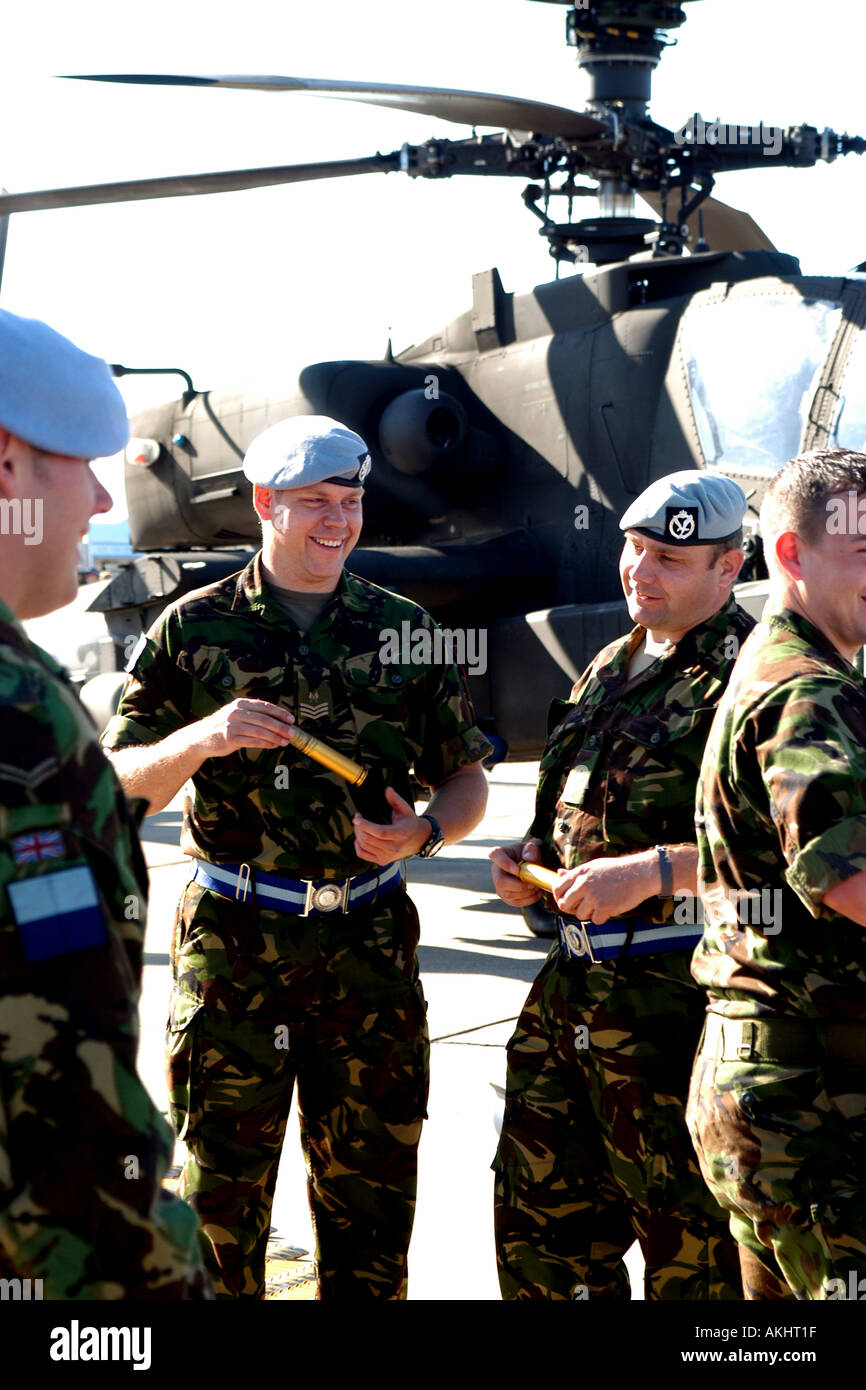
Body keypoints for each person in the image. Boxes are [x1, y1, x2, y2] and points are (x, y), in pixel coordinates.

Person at [101, 414, 490, 1300]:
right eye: (314, 500)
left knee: (374, 1215)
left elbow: (464, 778)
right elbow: (121, 786)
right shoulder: (191, 630)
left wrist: (427, 833)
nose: (338, 520)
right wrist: (200, 739)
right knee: (218, 1214)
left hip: (369, 952)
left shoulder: (404, 630)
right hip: (235, 946)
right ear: (264, 503)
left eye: (350, 501)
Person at [490, 471, 753, 1300]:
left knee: (697, 1254)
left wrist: (654, 873)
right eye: (633, 549)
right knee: (542, 1232)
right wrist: (529, 858)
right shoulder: (610, 661)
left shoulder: (759, 678)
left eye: (671, 557)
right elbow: (569, 808)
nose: (642, 571)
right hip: (570, 997)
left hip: (679, 1011)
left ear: (730, 566)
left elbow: (799, 862)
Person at [0, 308, 210, 1299]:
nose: (94, 500)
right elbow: (55, 1070)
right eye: (79, 465)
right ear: (7, 465)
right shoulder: (17, 710)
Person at [687, 448, 866, 1300]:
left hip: (775, 1094)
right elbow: (848, 880)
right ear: (792, 556)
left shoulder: (794, 665)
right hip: (813, 1110)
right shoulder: (806, 691)